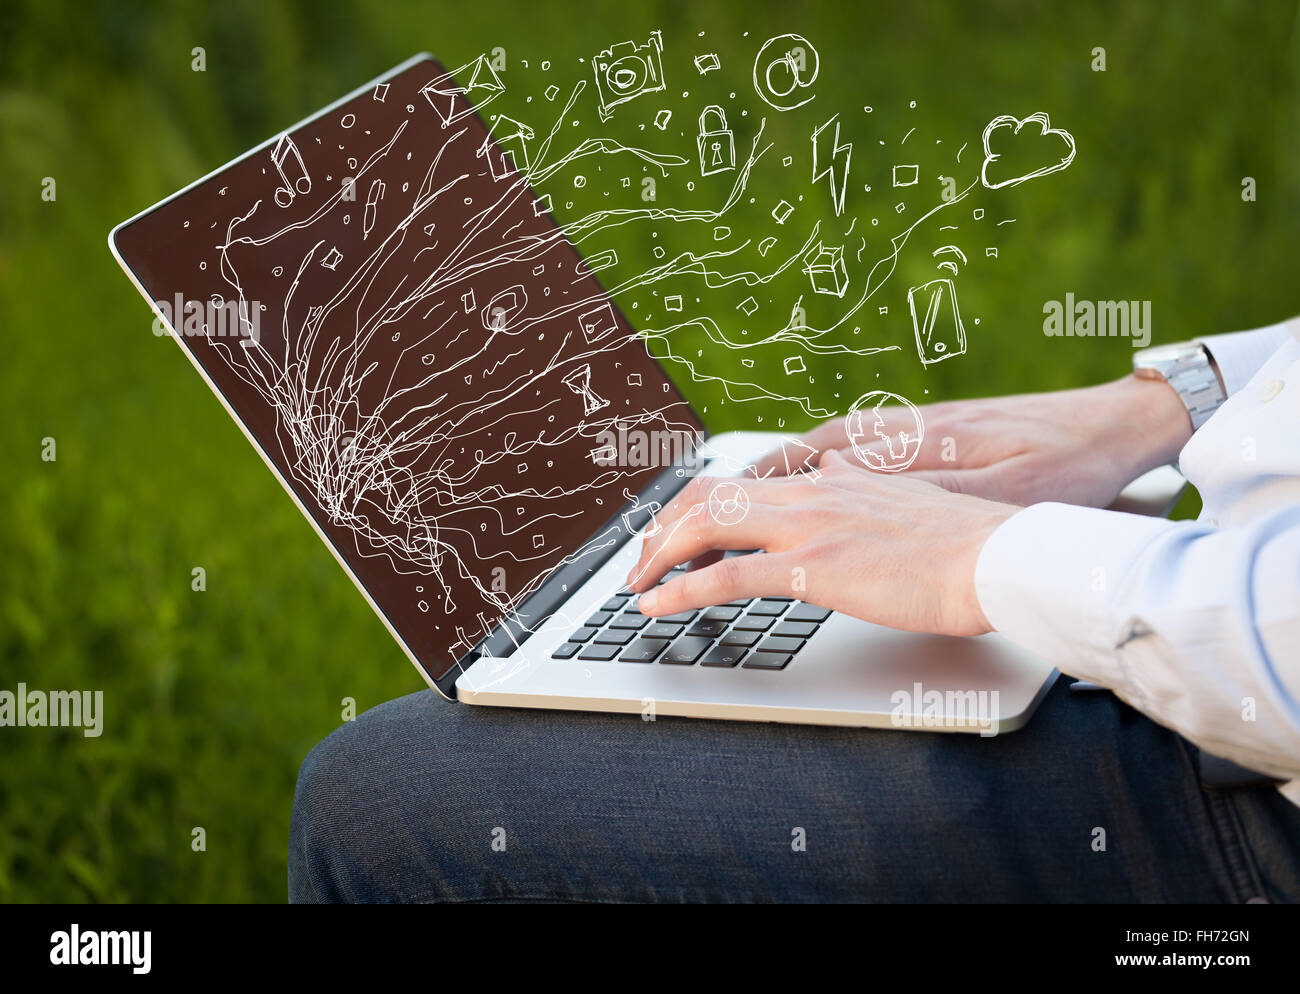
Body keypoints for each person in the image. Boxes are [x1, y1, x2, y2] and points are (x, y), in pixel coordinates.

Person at [288, 319, 1300, 903]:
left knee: (375, 800)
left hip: (1248, 792)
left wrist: (975, 557)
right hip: (1218, 613)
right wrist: (1175, 402)